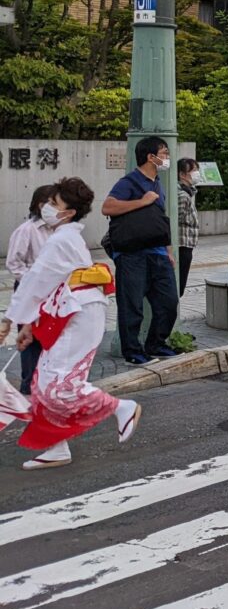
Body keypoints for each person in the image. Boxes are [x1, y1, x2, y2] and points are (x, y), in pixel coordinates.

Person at [2, 177, 142, 469]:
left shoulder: (62, 239)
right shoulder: (63, 237)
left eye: (54, 204)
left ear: (68, 213)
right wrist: (27, 324)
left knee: (60, 383)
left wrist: (10, 319)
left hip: (80, 314)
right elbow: (43, 285)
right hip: (68, 311)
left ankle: (121, 407)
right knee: (44, 382)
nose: (47, 208)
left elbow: (36, 281)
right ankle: (55, 447)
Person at [101, 136, 179, 365]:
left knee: (168, 301)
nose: (167, 158)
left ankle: (156, 344)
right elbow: (108, 207)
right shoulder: (129, 182)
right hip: (132, 254)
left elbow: (159, 221)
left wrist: (168, 250)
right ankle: (133, 352)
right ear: (150, 157)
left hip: (158, 253)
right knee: (131, 304)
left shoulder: (158, 184)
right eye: (164, 153)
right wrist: (142, 201)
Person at [5, 184, 54, 396]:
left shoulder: (59, 229)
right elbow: (14, 263)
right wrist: (34, 280)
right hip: (30, 290)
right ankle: (29, 386)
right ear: (39, 205)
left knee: (52, 337)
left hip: (55, 291)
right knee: (30, 338)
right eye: (52, 203)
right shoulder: (26, 230)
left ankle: (49, 385)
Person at [176, 158, 201, 298]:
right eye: (193, 171)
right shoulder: (182, 196)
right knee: (178, 286)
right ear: (182, 174)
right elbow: (174, 222)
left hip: (186, 245)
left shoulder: (187, 193)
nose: (197, 174)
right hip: (181, 246)